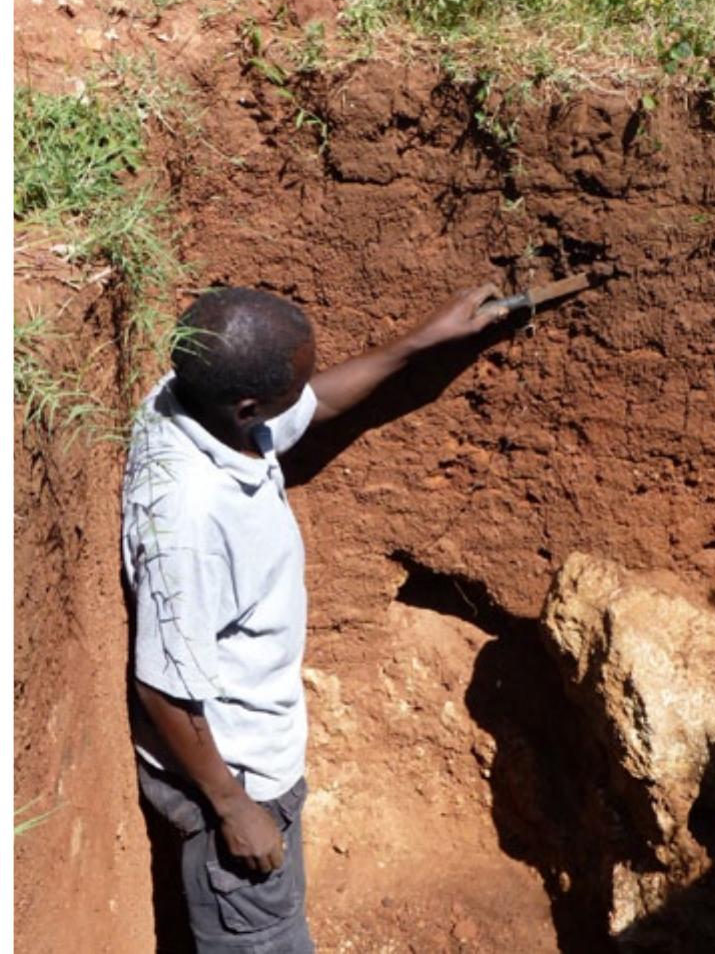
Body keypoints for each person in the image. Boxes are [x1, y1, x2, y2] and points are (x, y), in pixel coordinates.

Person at [122, 283, 505, 953]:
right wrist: (234, 808)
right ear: (247, 408)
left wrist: (422, 340)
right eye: (289, 387)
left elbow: (315, 402)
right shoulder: (191, 521)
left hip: (250, 762)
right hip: (235, 776)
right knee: (262, 938)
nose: (303, 393)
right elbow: (164, 684)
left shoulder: (189, 399)